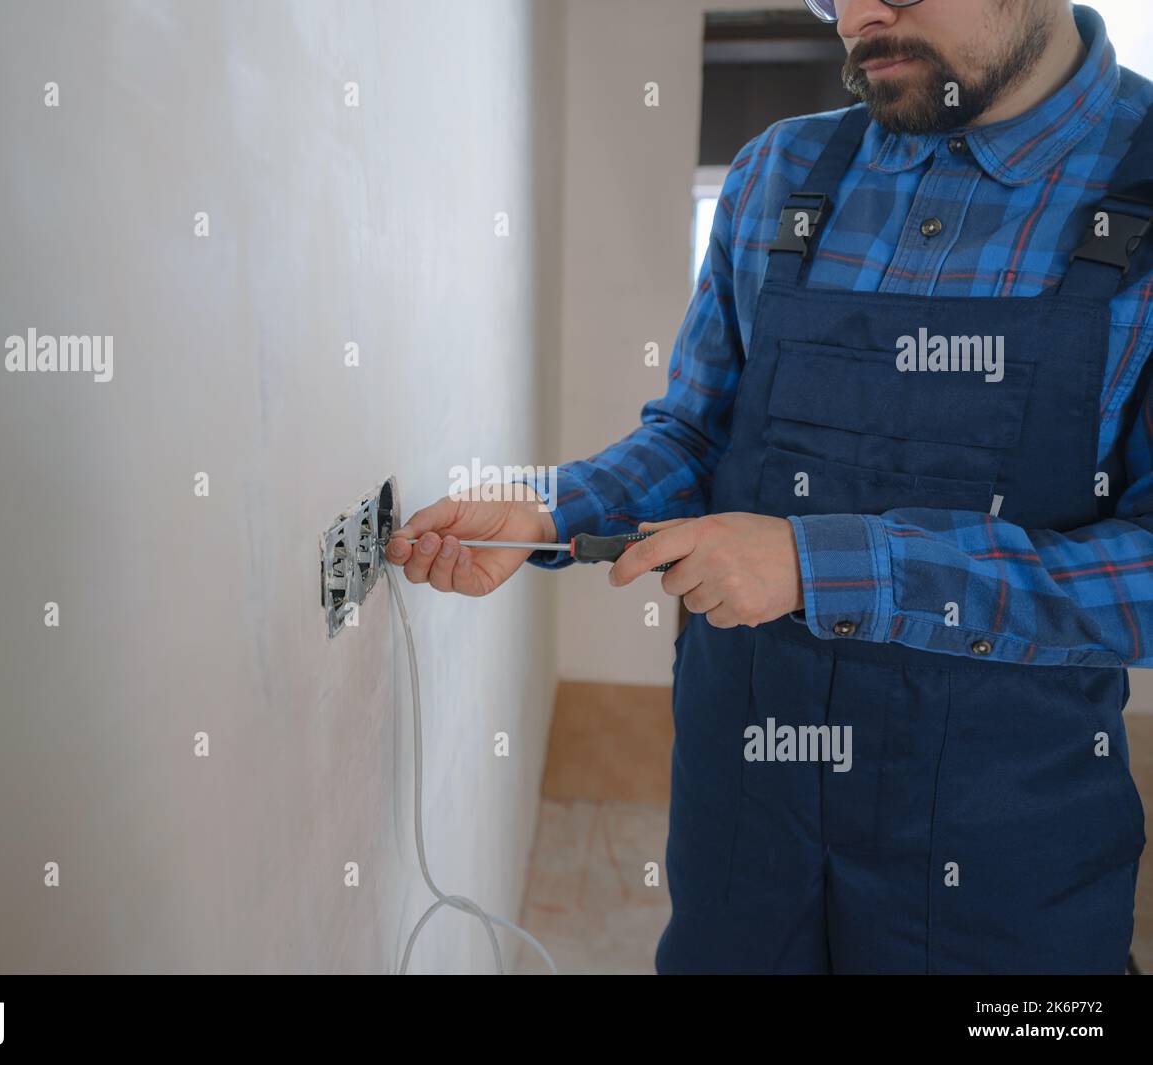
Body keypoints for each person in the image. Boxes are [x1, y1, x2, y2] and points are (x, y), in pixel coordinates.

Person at [384, 0, 1151, 974]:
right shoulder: (779, 174)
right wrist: (550, 507)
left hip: (997, 847)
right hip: (744, 798)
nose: (861, 16)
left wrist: (819, 565)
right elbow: (697, 435)